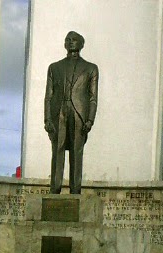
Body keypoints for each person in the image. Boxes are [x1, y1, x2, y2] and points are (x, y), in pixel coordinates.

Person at [44, 30, 99, 194]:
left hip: (79, 114)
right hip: (58, 112)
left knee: (76, 153)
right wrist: (47, 119)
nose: (70, 42)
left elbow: (93, 97)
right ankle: (54, 190)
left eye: (74, 40)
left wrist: (90, 120)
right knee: (57, 151)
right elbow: (48, 96)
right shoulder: (54, 67)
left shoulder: (91, 68)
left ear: (81, 44)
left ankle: (76, 192)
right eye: (67, 39)